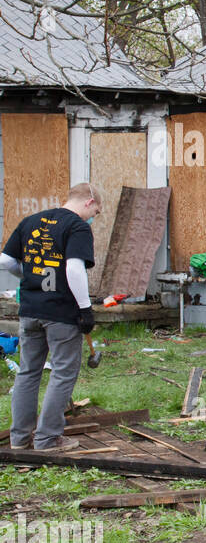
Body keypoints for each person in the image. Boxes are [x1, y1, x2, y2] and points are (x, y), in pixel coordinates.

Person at [1, 183, 101, 450]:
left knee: (28, 373)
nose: (93, 218)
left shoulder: (30, 222)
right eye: (96, 212)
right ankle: (47, 439)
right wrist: (84, 308)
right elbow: (75, 269)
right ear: (89, 202)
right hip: (60, 313)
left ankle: (20, 439)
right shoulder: (77, 227)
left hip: (30, 310)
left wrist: (30, 276)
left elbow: (6, 261)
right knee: (63, 373)